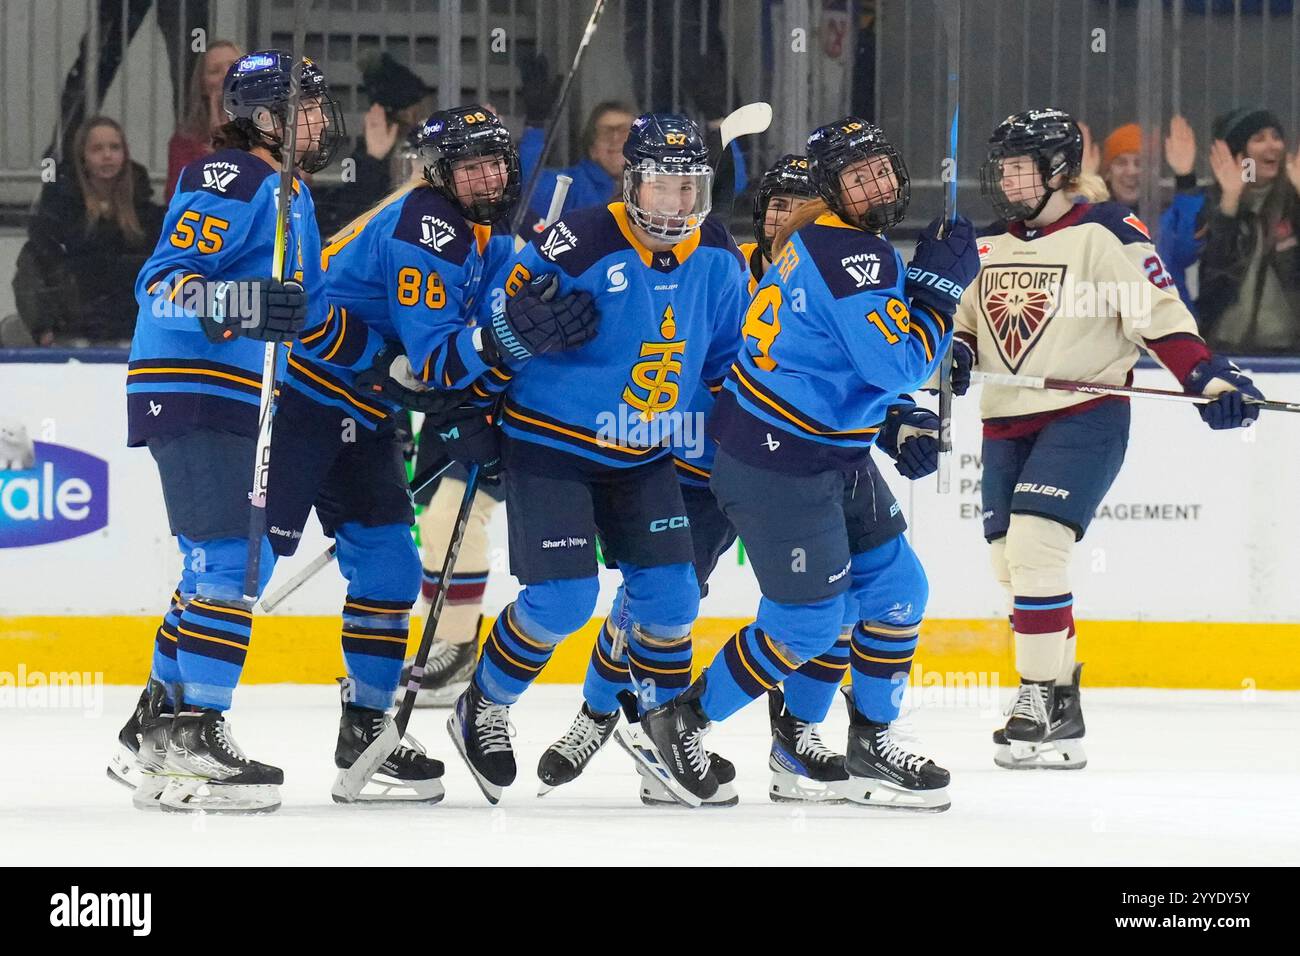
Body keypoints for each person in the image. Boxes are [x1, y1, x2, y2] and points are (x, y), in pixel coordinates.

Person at [535, 153, 945, 807]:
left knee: (842, 601)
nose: (786, 215)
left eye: (800, 203)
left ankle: (798, 739)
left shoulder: (824, 273)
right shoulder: (718, 267)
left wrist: (897, 423)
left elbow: (854, 367)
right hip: (692, 468)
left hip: (799, 459)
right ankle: (597, 714)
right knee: (649, 607)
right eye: (775, 204)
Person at [623, 118, 976, 811]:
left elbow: (861, 351)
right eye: (857, 176)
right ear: (830, 188)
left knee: (899, 589)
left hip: (828, 452)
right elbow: (898, 358)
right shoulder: (849, 254)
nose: (875, 185)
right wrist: (939, 293)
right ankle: (677, 724)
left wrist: (931, 352)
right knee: (809, 623)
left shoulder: (833, 241)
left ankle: (866, 744)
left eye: (880, 169)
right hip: (776, 461)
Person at [264, 104, 596, 802]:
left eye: (494, 161)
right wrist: (511, 339)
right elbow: (440, 364)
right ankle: (174, 714)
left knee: (388, 568)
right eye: (469, 164)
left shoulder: (479, 233)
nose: (486, 175)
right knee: (240, 560)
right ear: (439, 172)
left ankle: (366, 730)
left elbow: (444, 362)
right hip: (307, 400)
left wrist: (507, 341)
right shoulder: (429, 224)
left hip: (366, 409)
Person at [444, 113, 749, 805]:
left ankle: (664, 738)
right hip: (551, 446)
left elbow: (730, 363)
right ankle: (483, 706)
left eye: (688, 188)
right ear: (633, 183)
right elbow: (495, 328)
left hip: (644, 455)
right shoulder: (576, 242)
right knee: (563, 601)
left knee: (672, 597)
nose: (676, 205)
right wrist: (474, 407)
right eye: (663, 187)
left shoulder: (720, 257)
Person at [951, 108, 1266, 771]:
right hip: (1004, 419)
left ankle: (1034, 696)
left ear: (1061, 173)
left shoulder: (1106, 231)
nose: (1005, 181)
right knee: (1011, 565)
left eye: (1020, 168)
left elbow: (1160, 313)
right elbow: (968, 325)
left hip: (1083, 413)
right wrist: (955, 349)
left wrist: (1206, 376)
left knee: (1038, 548)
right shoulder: (988, 245)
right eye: (1001, 168)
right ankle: (1063, 710)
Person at [106, 51, 343, 813]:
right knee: (229, 560)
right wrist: (241, 303)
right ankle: (196, 732)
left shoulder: (292, 191)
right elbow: (163, 281)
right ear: (267, 118)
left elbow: (293, 310)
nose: (319, 118)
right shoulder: (234, 176)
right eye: (304, 106)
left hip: (237, 393)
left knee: (224, 558)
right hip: (195, 387)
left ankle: (156, 726)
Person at [15, 116, 162, 346]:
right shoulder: (60, 213)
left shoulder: (149, 214)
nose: (107, 155)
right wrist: (43, 327)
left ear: (125, 155)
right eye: (97, 148)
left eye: (115, 147)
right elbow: (33, 269)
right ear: (82, 157)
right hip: (74, 330)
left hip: (135, 329)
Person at [1197, 108, 1300, 353]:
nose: (1272, 146)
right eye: (1259, 139)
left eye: (1276, 136)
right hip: (1224, 347)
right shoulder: (1213, 202)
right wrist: (1229, 204)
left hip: (1287, 351)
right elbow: (1212, 271)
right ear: (1239, 153)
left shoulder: (1292, 201)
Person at [313, 52, 437, 236]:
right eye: (420, 107)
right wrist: (373, 159)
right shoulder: (368, 159)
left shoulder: (433, 146)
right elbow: (348, 221)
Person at [166, 40, 243, 200]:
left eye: (234, 66)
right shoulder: (185, 141)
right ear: (202, 86)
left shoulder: (270, 130)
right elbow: (178, 198)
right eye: (215, 71)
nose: (226, 75)